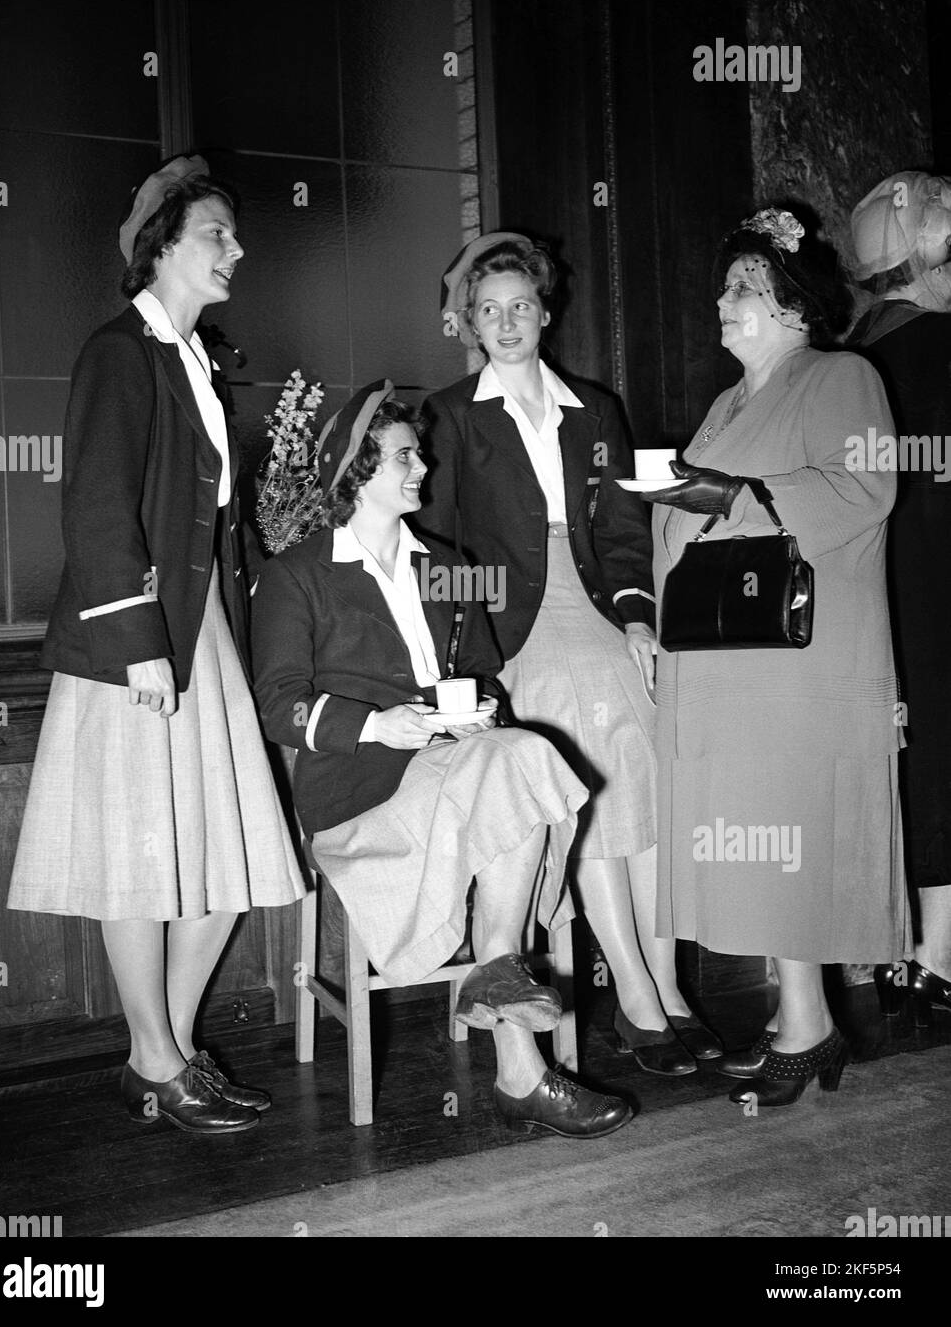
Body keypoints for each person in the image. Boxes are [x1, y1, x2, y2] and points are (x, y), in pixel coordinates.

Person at [8, 156, 306, 1134]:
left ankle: (166, 1054)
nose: (238, 250)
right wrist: (138, 641)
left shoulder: (195, 361)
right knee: (139, 852)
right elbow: (96, 506)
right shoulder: (119, 353)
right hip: (136, 636)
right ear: (163, 244)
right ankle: (152, 1054)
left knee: (228, 853)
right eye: (218, 234)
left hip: (201, 634)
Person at [250, 381, 633, 1138]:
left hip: (457, 771)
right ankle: (509, 1014)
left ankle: (510, 1029)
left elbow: (482, 669)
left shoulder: (449, 565)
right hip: (360, 789)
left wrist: (481, 707)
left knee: (516, 757)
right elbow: (278, 702)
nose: (421, 465)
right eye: (403, 456)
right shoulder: (296, 573)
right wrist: (376, 726)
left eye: (418, 452)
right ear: (357, 471)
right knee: (523, 766)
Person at [412, 232, 715, 1077]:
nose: (505, 323)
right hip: (511, 625)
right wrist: (466, 655)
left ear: (546, 315)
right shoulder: (446, 414)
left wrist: (637, 621)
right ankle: (638, 996)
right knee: (584, 778)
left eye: (519, 307)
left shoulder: (596, 408)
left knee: (642, 773)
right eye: (487, 311)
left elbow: (622, 532)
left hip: (597, 608)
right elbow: (434, 543)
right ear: (469, 322)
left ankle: (669, 990)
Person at [644, 205, 911, 1106]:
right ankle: (804, 1016)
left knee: (791, 837)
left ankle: (808, 1023)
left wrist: (732, 492)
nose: (721, 302)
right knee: (764, 848)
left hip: (801, 665)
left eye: (742, 288)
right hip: (728, 663)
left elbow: (865, 487)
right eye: (725, 286)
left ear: (795, 305)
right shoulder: (726, 406)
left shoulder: (840, 375)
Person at [847, 171, 951, 1025]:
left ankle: (905, 953)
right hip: (935, 586)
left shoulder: (852, 356)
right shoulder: (939, 348)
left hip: (877, 592)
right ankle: (936, 958)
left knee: (911, 758)